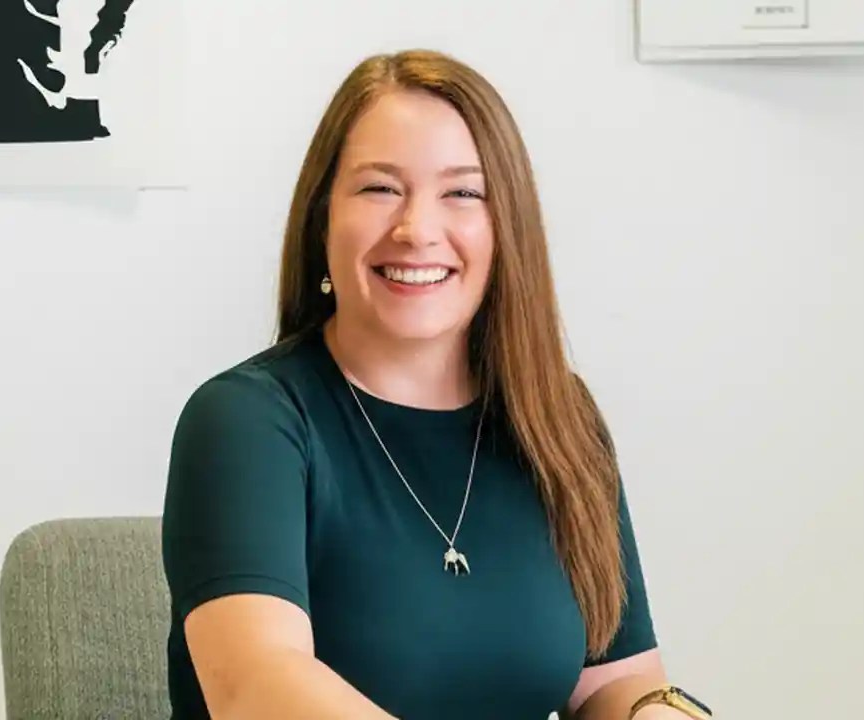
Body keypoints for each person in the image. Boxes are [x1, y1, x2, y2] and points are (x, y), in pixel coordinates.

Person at [160, 49, 713, 720]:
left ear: (506, 227)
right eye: (380, 188)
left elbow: (611, 681)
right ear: (321, 219)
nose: (417, 229)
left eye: (462, 193)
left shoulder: (558, 417)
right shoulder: (246, 421)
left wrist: (661, 714)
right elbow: (258, 686)